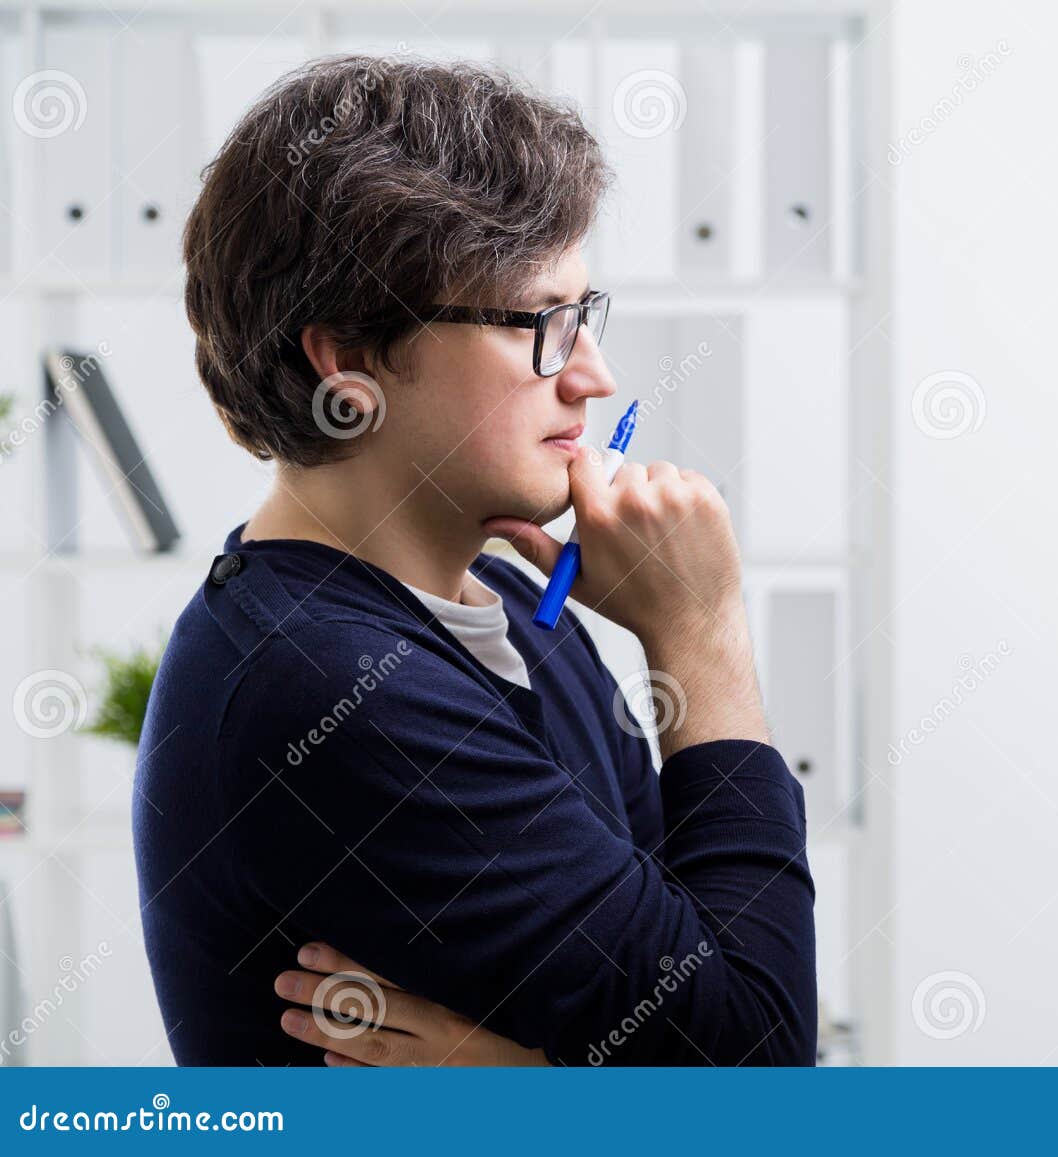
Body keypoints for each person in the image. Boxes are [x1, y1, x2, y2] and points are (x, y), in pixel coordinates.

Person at [133, 53, 816, 1066]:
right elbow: (754, 1058)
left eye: (585, 316)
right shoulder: (327, 685)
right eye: (543, 324)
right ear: (349, 360)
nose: (593, 375)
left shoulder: (503, 597)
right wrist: (701, 632)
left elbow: (707, 955)